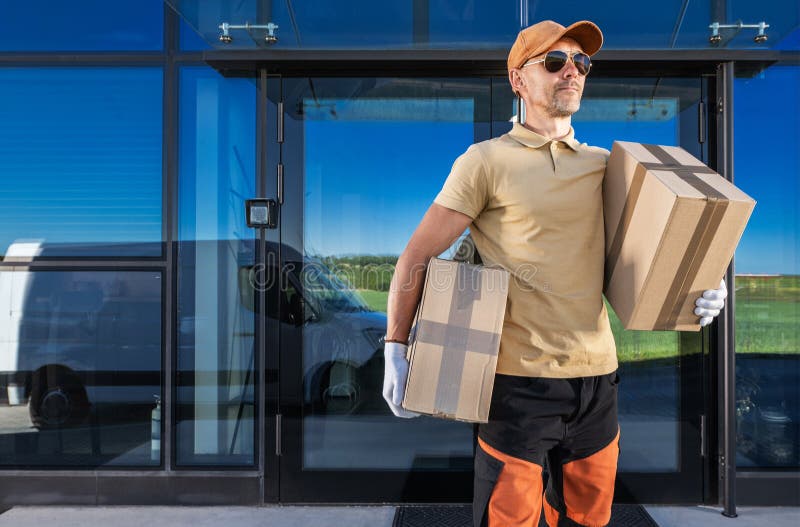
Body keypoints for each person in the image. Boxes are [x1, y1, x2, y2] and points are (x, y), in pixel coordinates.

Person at [382, 19, 728, 527]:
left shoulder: (608, 166)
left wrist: (706, 281)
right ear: (518, 80)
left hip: (598, 380)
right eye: (555, 61)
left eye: (581, 62)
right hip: (514, 385)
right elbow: (416, 256)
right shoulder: (485, 162)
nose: (572, 71)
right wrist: (395, 347)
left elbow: (663, 244)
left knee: (589, 519)